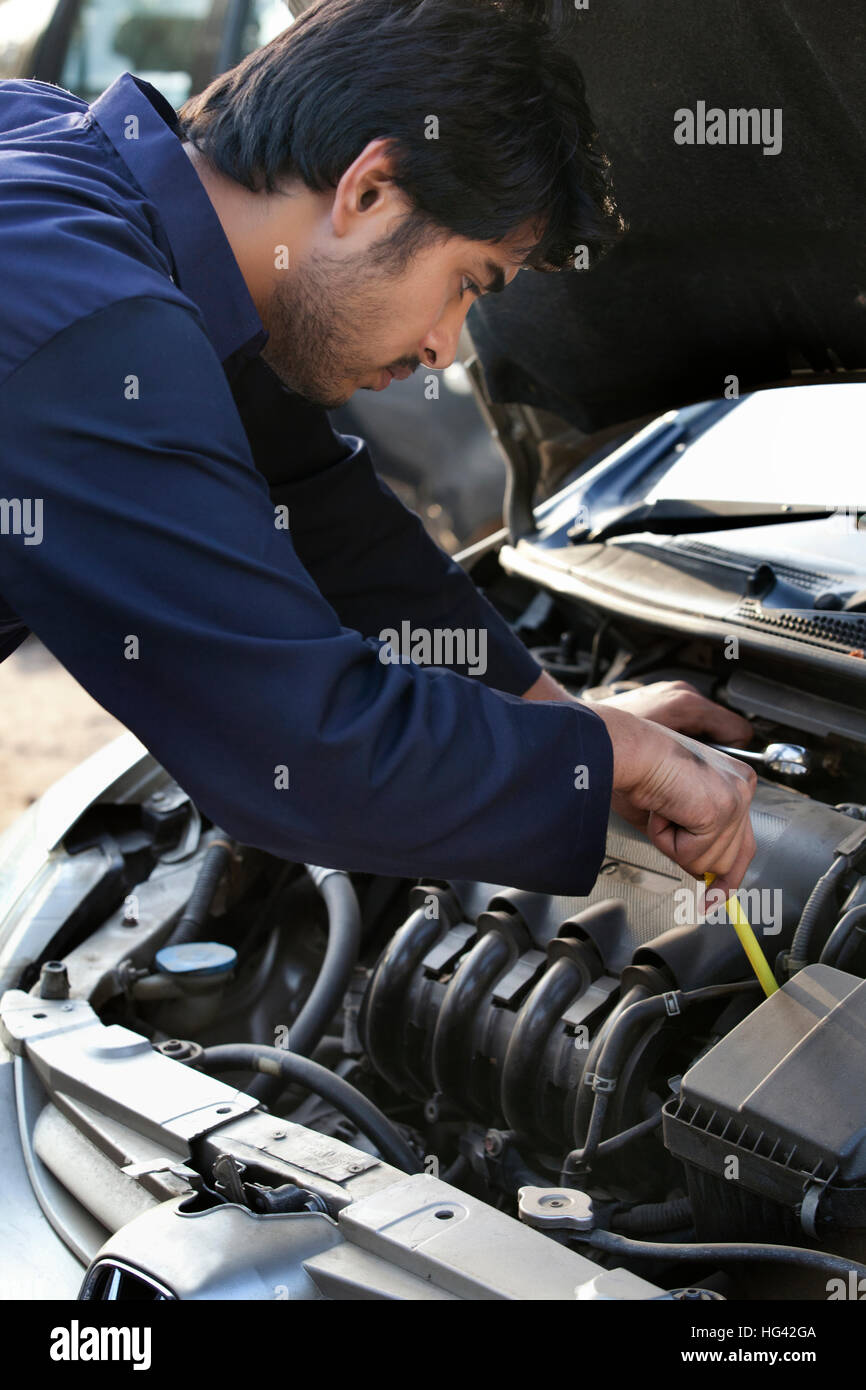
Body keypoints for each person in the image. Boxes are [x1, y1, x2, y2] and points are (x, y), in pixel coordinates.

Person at [0, 0, 755, 898]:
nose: (445, 347)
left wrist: (568, 722)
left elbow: (326, 518)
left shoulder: (65, 157)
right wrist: (601, 762)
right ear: (368, 192)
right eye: (466, 284)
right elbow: (303, 748)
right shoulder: (89, 317)